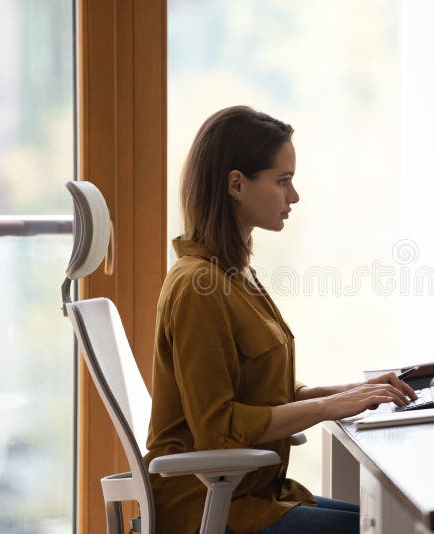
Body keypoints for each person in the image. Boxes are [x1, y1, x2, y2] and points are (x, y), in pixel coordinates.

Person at [143, 105, 418, 534]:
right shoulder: (197, 287)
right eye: (283, 181)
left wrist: (355, 391)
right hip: (208, 509)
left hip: (254, 496)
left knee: (397, 520)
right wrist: (327, 407)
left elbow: (261, 393)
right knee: (392, 527)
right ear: (237, 184)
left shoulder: (234, 275)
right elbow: (217, 431)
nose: (294, 196)